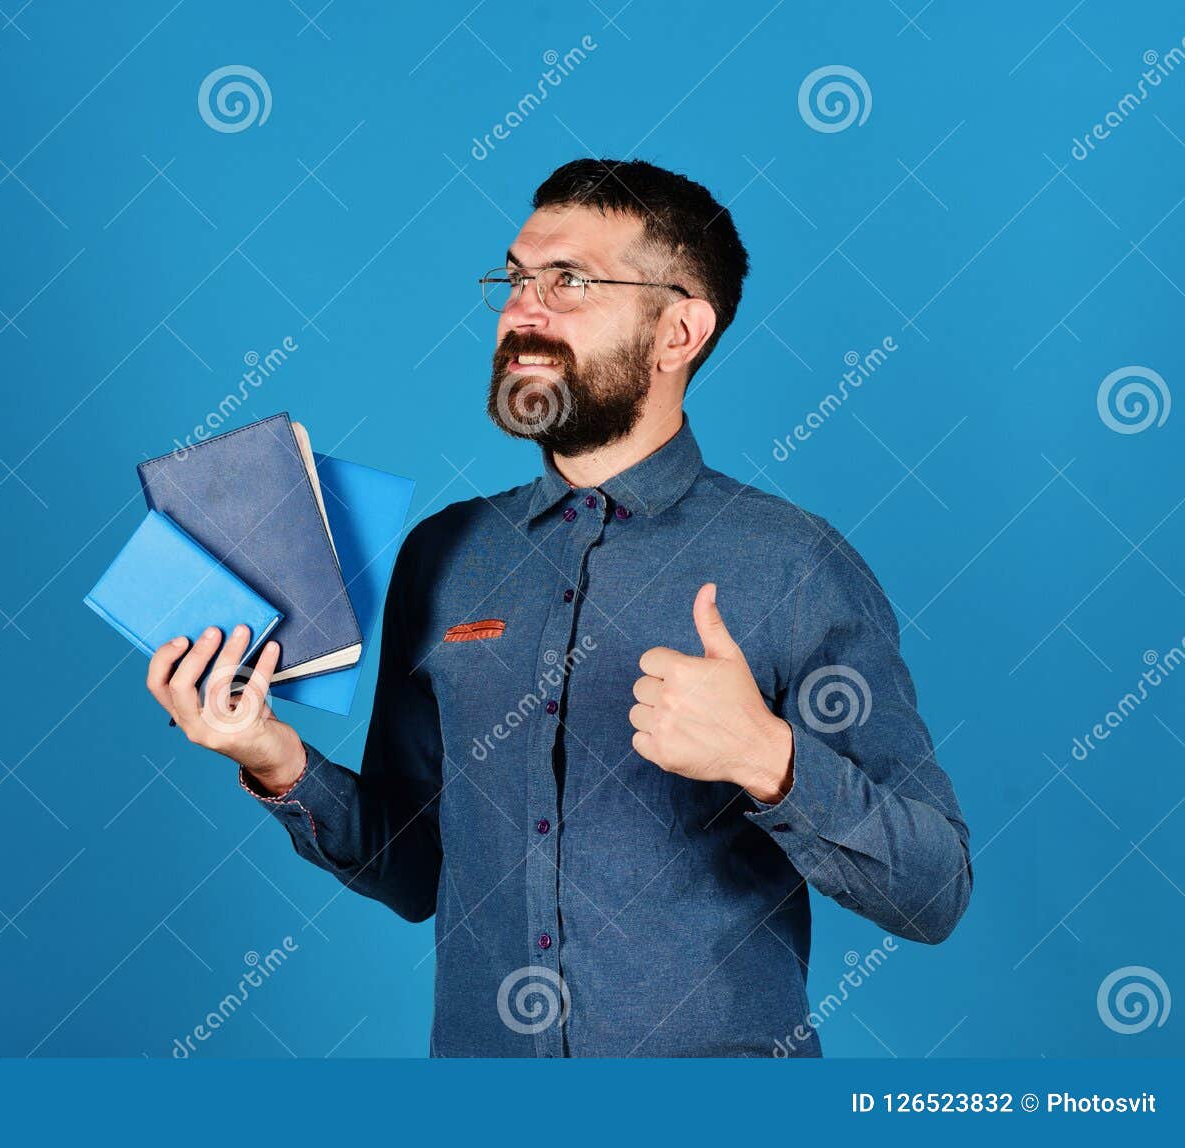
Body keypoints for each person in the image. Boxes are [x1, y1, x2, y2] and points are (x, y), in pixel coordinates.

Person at [144, 158, 972, 1057]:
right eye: (515, 278)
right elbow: (417, 868)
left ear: (678, 330)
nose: (521, 310)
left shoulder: (790, 563)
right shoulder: (446, 555)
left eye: (569, 281)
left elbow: (933, 892)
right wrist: (273, 758)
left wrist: (765, 757)